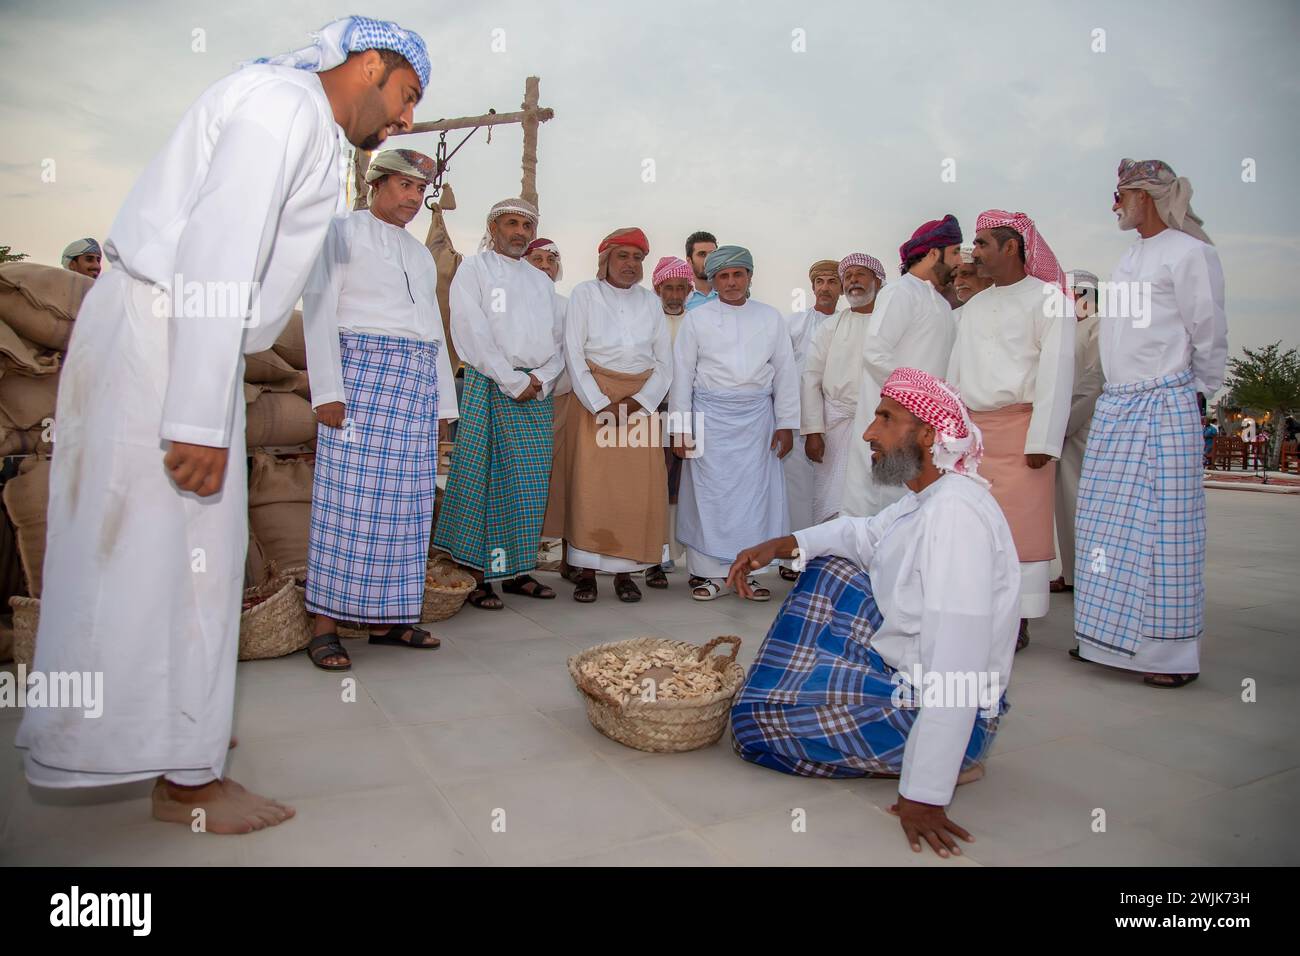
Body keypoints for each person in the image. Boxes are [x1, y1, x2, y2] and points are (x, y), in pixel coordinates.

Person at [15, 15, 428, 833]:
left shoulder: (293, 116)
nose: (407, 121)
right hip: (169, 338)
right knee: (159, 558)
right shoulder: (282, 107)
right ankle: (185, 777)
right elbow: (214, 253)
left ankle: (174, 739)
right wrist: (200, 417)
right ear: (370, 65)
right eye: (407, 97)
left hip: (179, 341)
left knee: (181, 561)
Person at [728, 367, 1019, 859]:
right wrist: (783, 544)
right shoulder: (928, 498)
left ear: (927, 434)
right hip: (910, 671)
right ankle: (868, 718)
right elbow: (861, 535)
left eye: (885, 419)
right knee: (832, 565)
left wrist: (925, 792)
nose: (868, 433)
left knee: (755, 725)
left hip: (943, 706)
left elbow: (957, 664)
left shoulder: (955, 518)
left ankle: (931, 758)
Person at [300, 148, 459, 670]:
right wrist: (327, 389)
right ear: (376, 186)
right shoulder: (340, 233)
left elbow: (433, 330)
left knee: (407, 507)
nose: (414, 198)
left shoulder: (418, 254)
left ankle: (391, 619)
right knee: (347, 504)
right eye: (404, 186)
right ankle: (325, 626)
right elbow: (319, 308)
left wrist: (442, 400)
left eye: (420, 190)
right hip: (360, 377)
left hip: (414, 384)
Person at [1073, 158, 1228, 688]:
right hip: (1117, 408)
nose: (1114, 204)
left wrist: (1193, 395)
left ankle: (1169, 656)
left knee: (1164, 531)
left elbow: (1208, 333)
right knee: (1104, 530)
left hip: (1164, 404)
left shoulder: (1191, 254)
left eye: (1121, 194)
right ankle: (1104, 639)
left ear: (1148, 196)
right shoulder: (1130, 256)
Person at [948, 210, 1073, 651]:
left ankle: (1017, 619)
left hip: (1023, 431)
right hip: (976, 435)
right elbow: (955, 374)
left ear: (1011, 247)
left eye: (982, 244)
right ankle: (979, 609)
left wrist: (1042, 440)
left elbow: (1057, 374)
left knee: (1019, 527)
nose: (974, 253)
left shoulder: (1049, 299)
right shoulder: (974, 306)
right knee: (975, 528)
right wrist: (952, 434)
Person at [433, 197, 566, 609]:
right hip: (490, 383)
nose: (520, 233)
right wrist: (510, 380)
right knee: (483, 478)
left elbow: (560, 341)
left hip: (535, 389)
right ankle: (479, 574)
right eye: (512, 224)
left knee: (526, 483)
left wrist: (541, 379)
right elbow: (467, 329)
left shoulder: (541, 281)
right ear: (494, 227)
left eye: (527, 227)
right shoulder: (474, 269)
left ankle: (517, 571)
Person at [544, 228, 671, 604]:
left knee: (636, 490)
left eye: (637, 258)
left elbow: (665, 362)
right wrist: (601, 404)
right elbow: (574, 353)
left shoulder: (651, 303)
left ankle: (626, 573)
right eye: (623, 257)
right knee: (591, 486)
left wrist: (638, 403)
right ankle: (586, 572)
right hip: (593, 400)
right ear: (606, 260)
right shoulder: (585, 293)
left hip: (639, 406)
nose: (630, 265)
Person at [669, 245, 798, 601]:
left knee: (754, 500)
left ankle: (751, 572)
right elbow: (682, 375)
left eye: (737, 274)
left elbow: (786, 373)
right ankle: (708, 576)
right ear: (713, 280)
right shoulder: (697, 319)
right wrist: (680, 428)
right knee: (711, 498)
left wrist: (786, 422)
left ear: (749, 277)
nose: (731, 282)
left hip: (758, 421)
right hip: (708, 420)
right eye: (723, 276)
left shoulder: (770, 317)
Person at [841, 216, 961, 519]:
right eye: (956, 252)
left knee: (915, 506)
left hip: (925, 426)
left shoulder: (941, 304)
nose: (960, 261)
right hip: (894, 419)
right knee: (878, 507)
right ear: (934, 253)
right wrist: (917, 401)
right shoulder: (901, 292)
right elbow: (876, 352)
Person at [800, 253, 886, 524]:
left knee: (876, 496)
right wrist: (814, 431)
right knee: (830, 499)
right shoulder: (831, 326)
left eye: (860, 275)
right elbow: (810, 378)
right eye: (848, 276)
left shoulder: (890, 323)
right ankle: (831, 560)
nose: (853, 281)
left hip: (879, 424)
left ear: (878, 281)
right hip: (835, 426)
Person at [782, 258, 842, 565]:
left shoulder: (848, 324)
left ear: (841, 286)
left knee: (833, 489)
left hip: (835, 421)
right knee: (798, 492)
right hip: (796, 419)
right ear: (812, 287)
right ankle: (796, 557)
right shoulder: (792, 325)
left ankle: (828, 556)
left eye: (832, 281)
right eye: (820, 282)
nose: (825, 288)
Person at [1051, 270, 1104, 593]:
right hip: (1064, 427)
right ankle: (1071, 574)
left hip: (1083, 427)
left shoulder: (1098, 326)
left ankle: (1090, 576)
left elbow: (1094, 380)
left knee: (1084, 507)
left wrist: (1067, 421)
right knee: (1065, 506)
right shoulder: (1070, 329)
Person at [647, 255, 697, 586]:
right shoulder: (646, 321)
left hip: (692, 415)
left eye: (681, 288)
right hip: (651, 412)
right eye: (669, 288)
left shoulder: (697, 322)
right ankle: (653, 558)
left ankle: (692, 558)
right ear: (658, 289)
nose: (675, 295)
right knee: (654, 485)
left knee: (687, 487)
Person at [684, 230, 719, 311]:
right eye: (702, 254)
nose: (708, 259)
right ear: (689, 261)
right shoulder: (681, 298)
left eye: (712, 254)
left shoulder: (728, 295)